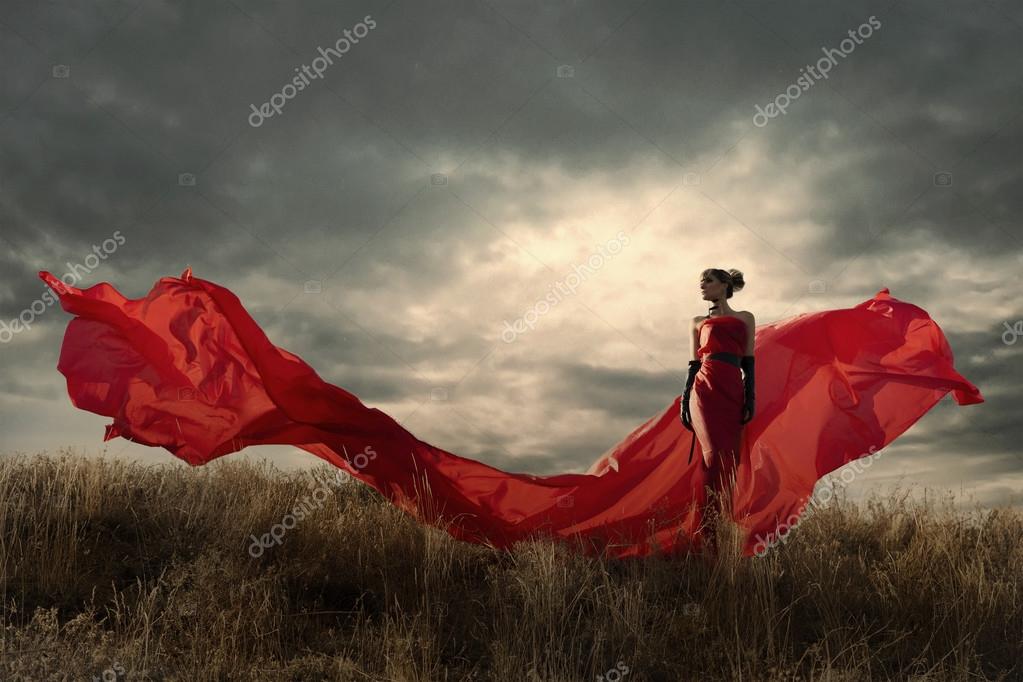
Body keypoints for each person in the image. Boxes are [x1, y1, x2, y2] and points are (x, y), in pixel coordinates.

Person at [680, 268, 755, 553]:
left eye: (708, 281)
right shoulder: (697, 322)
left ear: (724, 285)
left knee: (729, 461)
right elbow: (692, 365)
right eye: (701, 282)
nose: (702, 286)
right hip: (704, 390)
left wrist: (751, 399)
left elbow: (749, 362)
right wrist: (684, 401)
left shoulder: (745, 318)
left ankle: (723, 528)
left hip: (732, 389)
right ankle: (706, 539)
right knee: (712, 458)